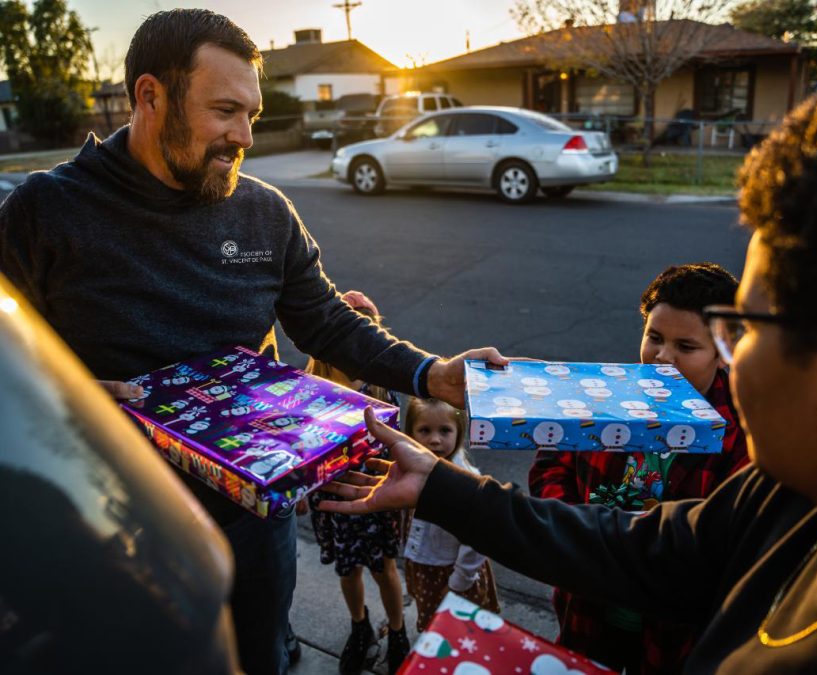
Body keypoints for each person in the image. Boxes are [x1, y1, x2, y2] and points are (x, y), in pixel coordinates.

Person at [319, 69, 817, 672]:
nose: (732, 355)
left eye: (742, 329)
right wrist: (440, 486)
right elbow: (639, 551)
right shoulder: (791, 499)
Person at [0, 10, 505, 675]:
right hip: (108, 528)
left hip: (255, 519)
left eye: (252, 115)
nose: (244, 137)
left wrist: (432, 373)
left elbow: (324, 319)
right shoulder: (45, 212)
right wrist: (58, 401)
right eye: (225, 111)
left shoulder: (264, 210)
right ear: (149, 96)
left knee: (263, 656)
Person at [528, 262, 749, 673]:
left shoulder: (739, 434)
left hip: (673, 633)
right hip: (588, 606)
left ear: (724, 352)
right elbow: (550, 464)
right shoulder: (602, 395)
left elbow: (729, 542)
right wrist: (578, 532)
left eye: (686, 347)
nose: (662, 357)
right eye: (655, 337)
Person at [304, 291, 410, 675]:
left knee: (385, 569)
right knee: (347, 569)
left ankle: (398, 633)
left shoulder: (382, 388)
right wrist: (300, 491)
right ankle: (360, 625)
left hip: (376, 493)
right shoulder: (312, 382)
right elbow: (299, 443)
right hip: (330, 496)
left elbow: (402, 448)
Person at [403, 398, 500, 632]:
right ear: (410, 433)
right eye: (424, 430)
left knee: (460, 631)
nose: (435, 439)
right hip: (425, 565)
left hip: (453, 573)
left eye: (444, 430)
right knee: (436, 631)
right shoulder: (411, 469)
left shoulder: (467, 479)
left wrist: (458, 583)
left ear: (459, 433)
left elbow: (476, 542)